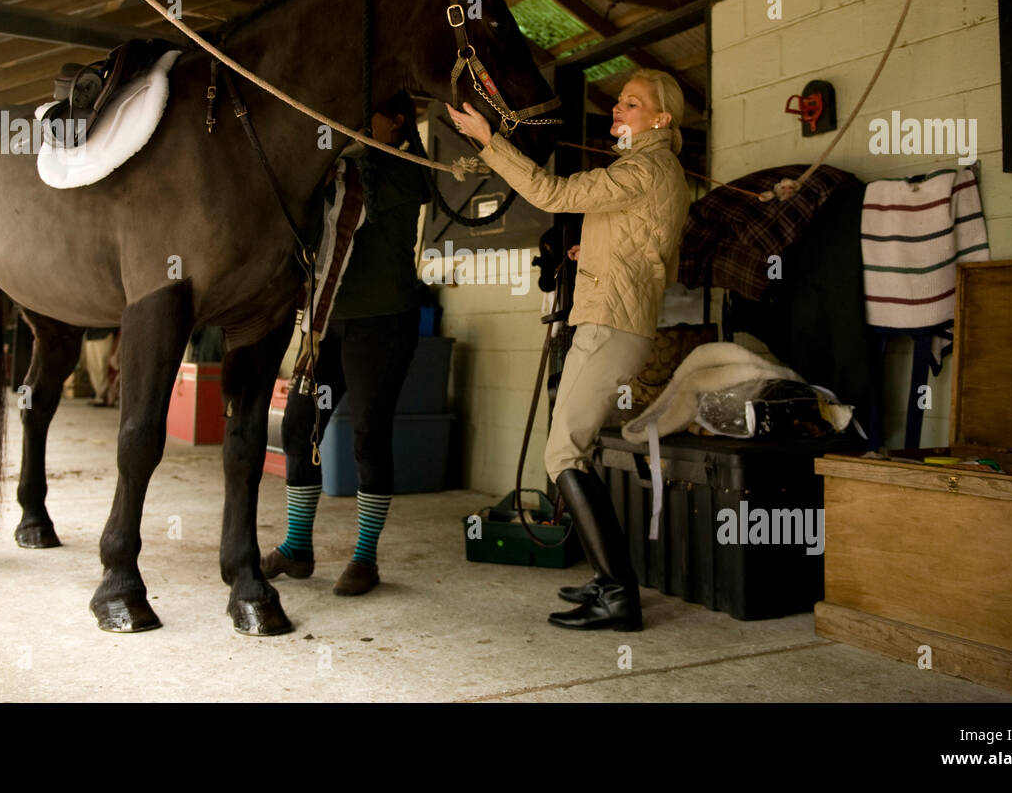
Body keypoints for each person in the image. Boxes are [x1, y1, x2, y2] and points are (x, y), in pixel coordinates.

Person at [447, 69, 691, 631]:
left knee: (563, 455)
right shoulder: (663, 174)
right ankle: (609, 583)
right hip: (620, 325)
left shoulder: (642, 166)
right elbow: (659, 257)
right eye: (619, 102)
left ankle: (619, 594)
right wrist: (598, 248)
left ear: (661, 120)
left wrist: (490, 142)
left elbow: (552, 193)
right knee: (572, 452)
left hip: (609, 326)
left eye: (633, 104)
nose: (618, 110)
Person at [262, 91, 430, 596]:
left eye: (368, 114)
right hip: (326, 320)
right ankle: (297, 547)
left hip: (382, 323)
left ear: (398, 121)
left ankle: (366, 558)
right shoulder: (338, 166)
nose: (353, 123)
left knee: (368, 437)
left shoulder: (406, 169)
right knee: (298, 427)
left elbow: (365, 189)